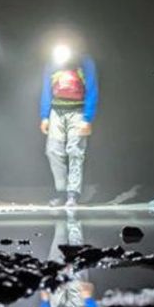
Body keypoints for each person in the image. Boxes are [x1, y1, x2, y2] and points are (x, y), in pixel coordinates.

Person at [40, 42, 99, 207]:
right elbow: (46, 88)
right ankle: (61, 191)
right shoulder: (52, 63)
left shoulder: (85, 62)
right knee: (53, 151)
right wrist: (45, 116)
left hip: (78, 112)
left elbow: (92, 89)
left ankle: (72, 193)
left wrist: (87, 118)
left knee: (75, 151)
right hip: (56, 112)